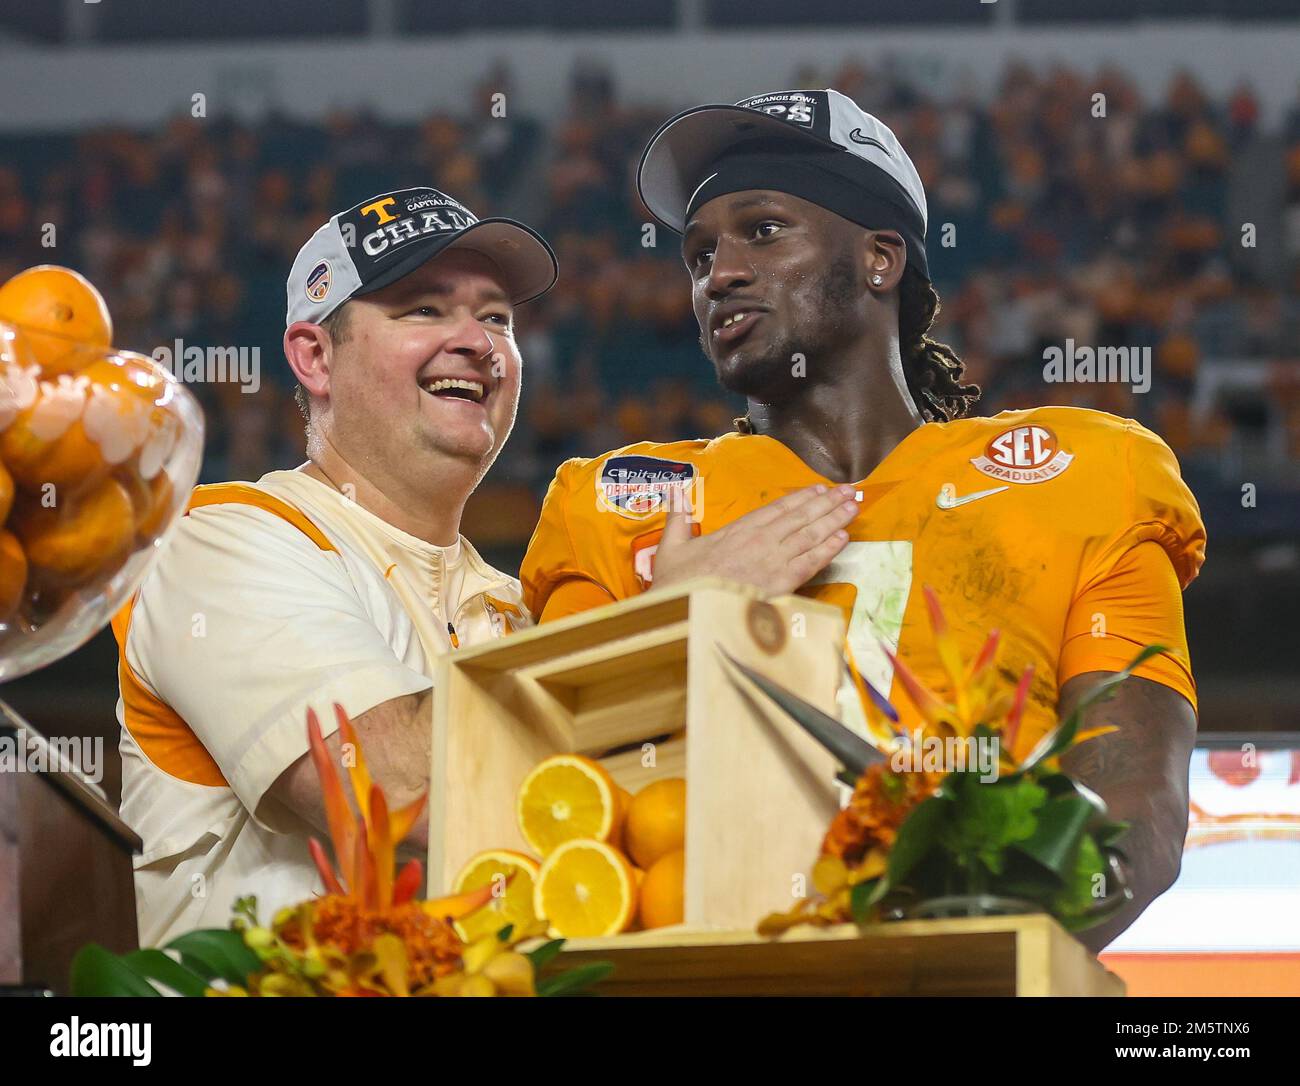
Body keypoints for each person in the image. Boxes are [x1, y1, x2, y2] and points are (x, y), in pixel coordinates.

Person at [519, 90, 1205, 951]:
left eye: (762, 230)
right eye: (698, 255)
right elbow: (544, 789)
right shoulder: (623, 500)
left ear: (880, 259)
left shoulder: (1080, 472)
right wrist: (666, 626)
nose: (718, 272)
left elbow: (1134, 791)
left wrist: (971, 951)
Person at [113, 187, 557, 945]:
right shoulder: (219, 541)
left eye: (496, 318)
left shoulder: (517, 607)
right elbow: (394, 789)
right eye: (423, 309)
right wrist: (658, 628)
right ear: (315, 357)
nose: (478, 342)